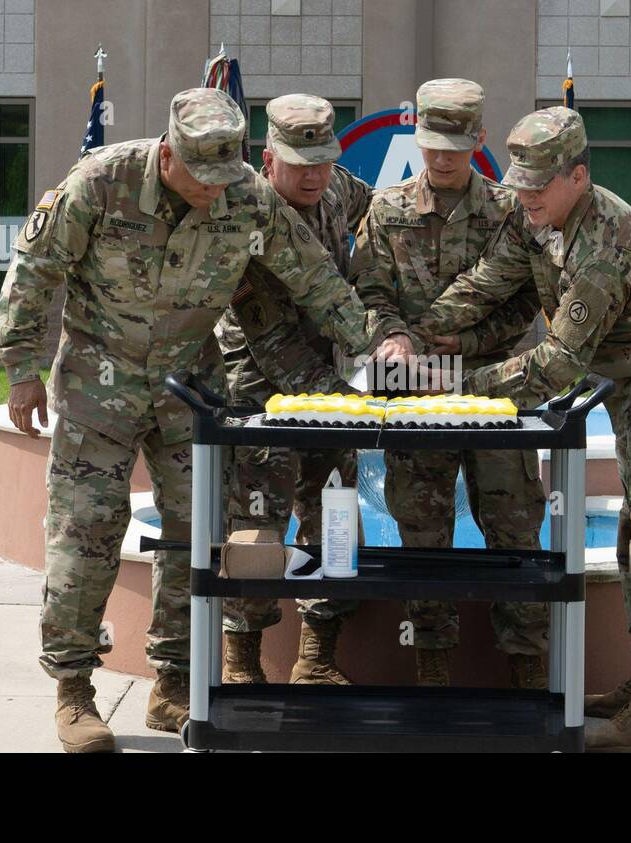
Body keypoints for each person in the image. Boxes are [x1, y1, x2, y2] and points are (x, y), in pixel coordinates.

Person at [0, 88, 373, 753]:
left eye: (224, 178)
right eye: (201, 178)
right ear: (169, 155)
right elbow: (34, 269)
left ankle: (172, 682)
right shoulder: (100, 183)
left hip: (187, 387)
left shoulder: (246, 196)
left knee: (197, 532)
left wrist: (378, 347)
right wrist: (21, 365)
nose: (213, 192)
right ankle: (74, 690)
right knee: (86, 529)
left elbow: (314, 278)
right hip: (97, 386)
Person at [416, 106, 631, 752]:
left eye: (537, 185)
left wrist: (457, 389)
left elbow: (557, 364)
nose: (524, 196)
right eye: (519, 183)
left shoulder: (603, 248)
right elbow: (486, 283)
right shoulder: (537, 217)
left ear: (578, 177)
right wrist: (412, 334)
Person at [349, 78, 548, 689]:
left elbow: (528, 299)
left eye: (456, 148)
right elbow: (369, 291)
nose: (442, 159)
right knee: (421, 528)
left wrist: (466, 343)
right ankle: (432, 661)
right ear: (417, 136)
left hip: (494, 388)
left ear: (479, 139)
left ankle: (527, 666)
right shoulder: (386, 209)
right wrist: (391, 337)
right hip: (414, 392)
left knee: (514, 525)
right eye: (433, 145)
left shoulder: (510, 210)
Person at [216, 94, 373, 686]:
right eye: (300, 164)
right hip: (261, 391)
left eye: (324, 161)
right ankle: (242, 665)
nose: (314, 175)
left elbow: (384, 213)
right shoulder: (243, 221)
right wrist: (343, 399)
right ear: (267, 159)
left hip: (327, 386)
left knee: (334, 518)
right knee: (257, 527)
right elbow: (272, 340)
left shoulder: (336, 190)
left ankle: (317, 658)